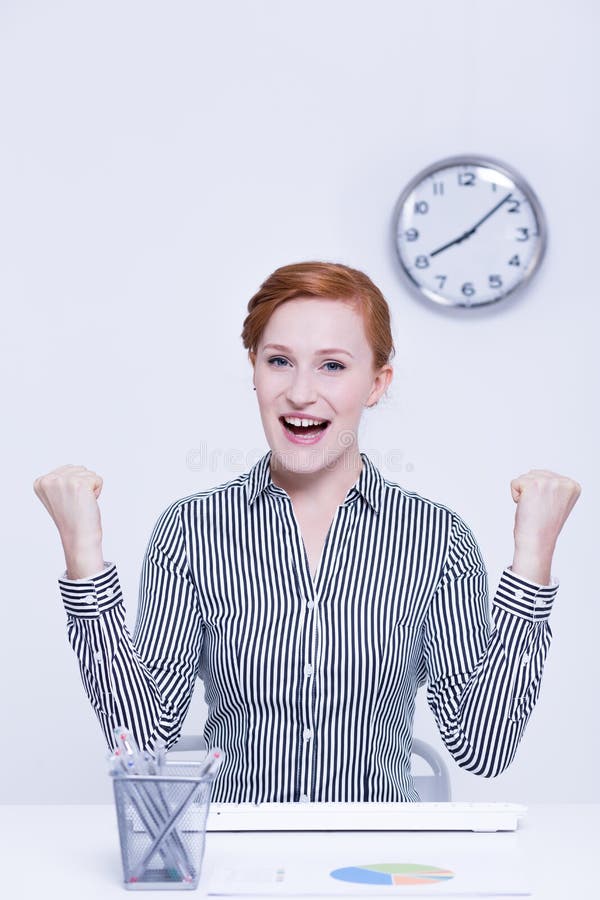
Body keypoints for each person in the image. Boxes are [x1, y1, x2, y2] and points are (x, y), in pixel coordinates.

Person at [34, 261, 581, 803]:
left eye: (332, 366)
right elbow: (145, 740)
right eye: (279, 361)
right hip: (238, 863)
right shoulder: (192, 530)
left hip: (379, 864)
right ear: (254, 370)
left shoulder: (436, 537)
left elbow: (483, 747)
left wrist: (532, 559)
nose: (300, 393)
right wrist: (85, 560)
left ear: (376, 384)